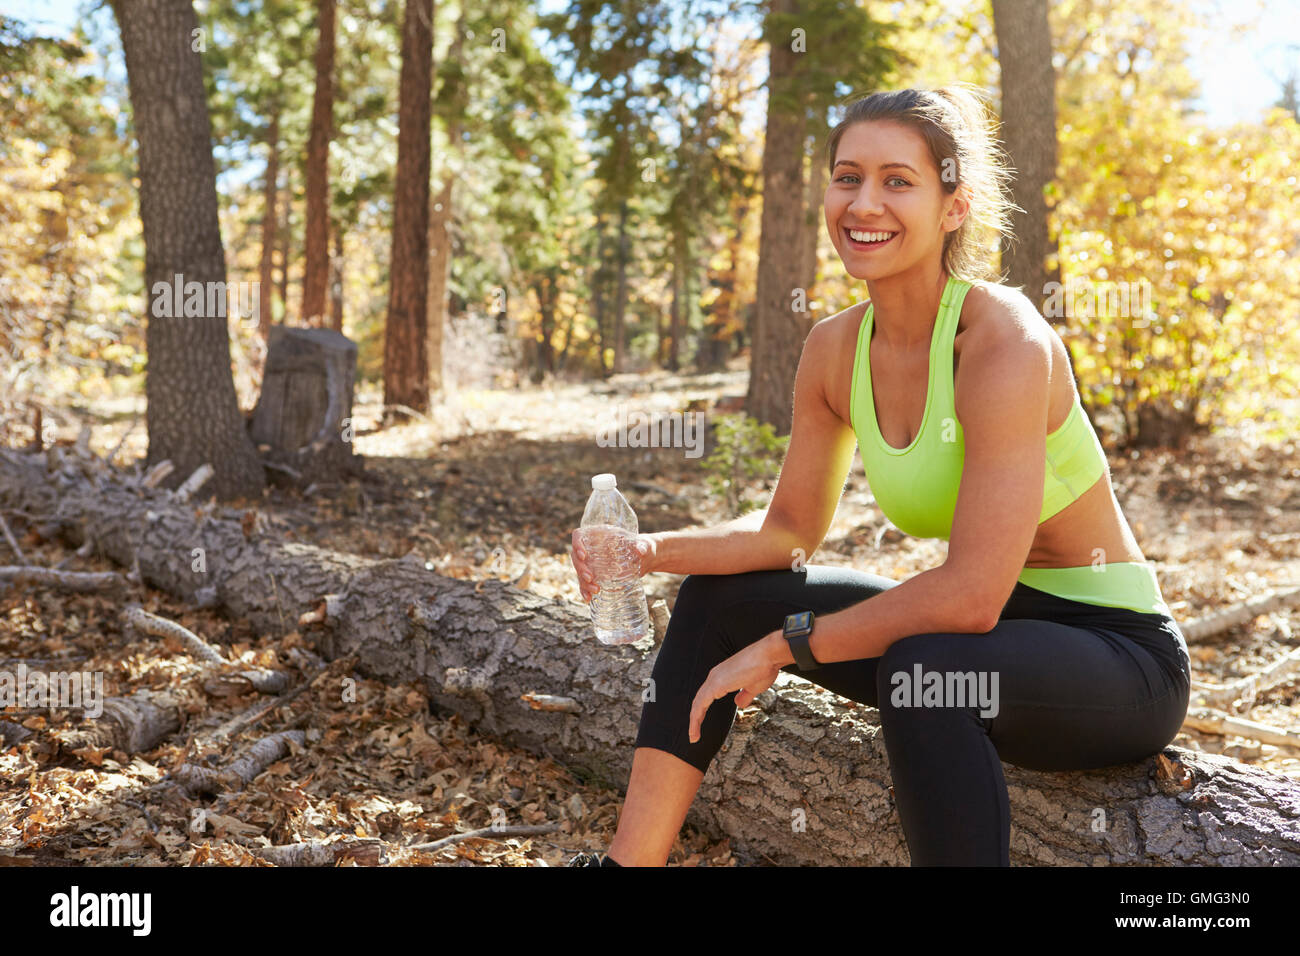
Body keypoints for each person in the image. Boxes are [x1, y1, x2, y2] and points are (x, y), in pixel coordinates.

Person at [566, 85, 1190, 867]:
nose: (865, 202)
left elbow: (968, 597)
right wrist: (647, 551)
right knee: (723, 602)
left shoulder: (1002, 343)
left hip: (1115, 658)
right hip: (998, 636)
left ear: (953, 205)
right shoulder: (833, 349)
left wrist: (786, 647)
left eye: (899, 181)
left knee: (923, 671)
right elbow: (785, 533)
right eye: (847, 176)